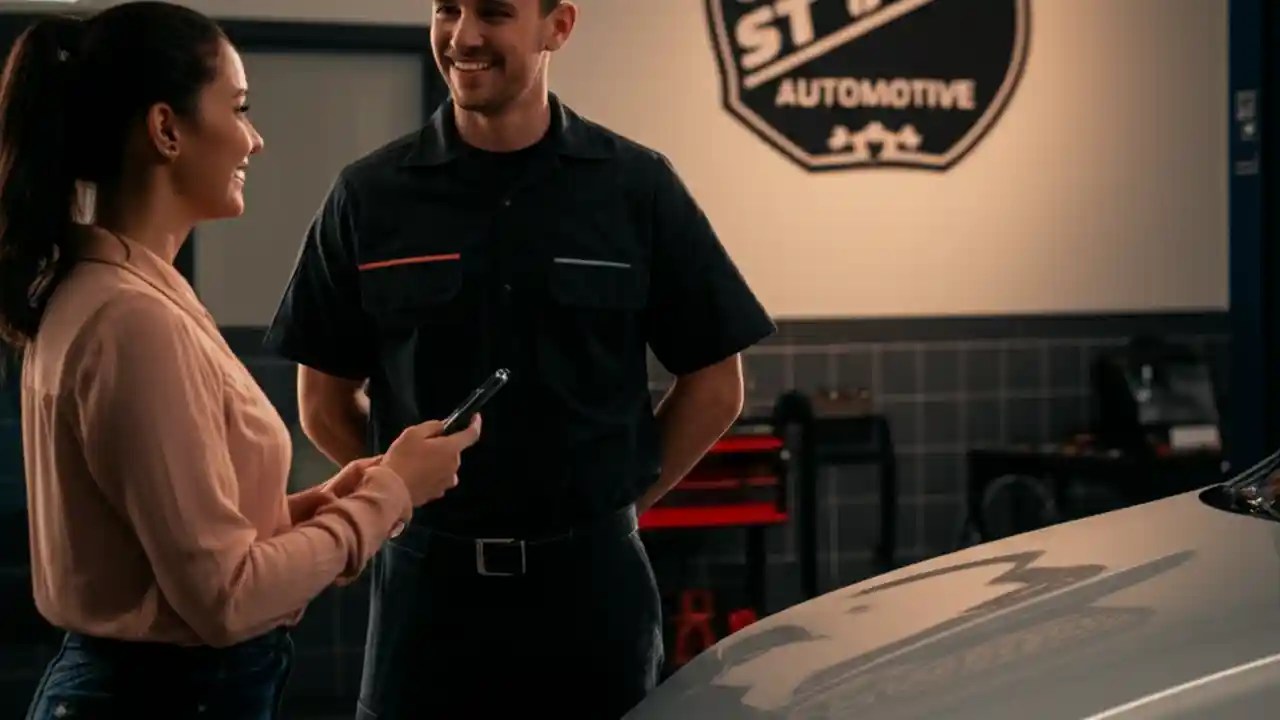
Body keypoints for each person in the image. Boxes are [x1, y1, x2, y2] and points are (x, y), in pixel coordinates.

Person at [264, 0, 777, 717]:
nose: (464, 36)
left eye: (495, 13)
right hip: (428, 595)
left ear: (557, 27)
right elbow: (321, 401)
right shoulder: (370, 195)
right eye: (447, 9)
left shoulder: (635, 186)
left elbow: (716, 384)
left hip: (593, 598)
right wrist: (401, 499)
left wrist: (616, 506)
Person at [0, 3, 481, 719]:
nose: (254, 141)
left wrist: (313, 509)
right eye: (240, 108)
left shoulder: (122, 292)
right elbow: (225, 600)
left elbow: (172, 548)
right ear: (166, 130)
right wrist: (392, 497)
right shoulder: (130, 319)